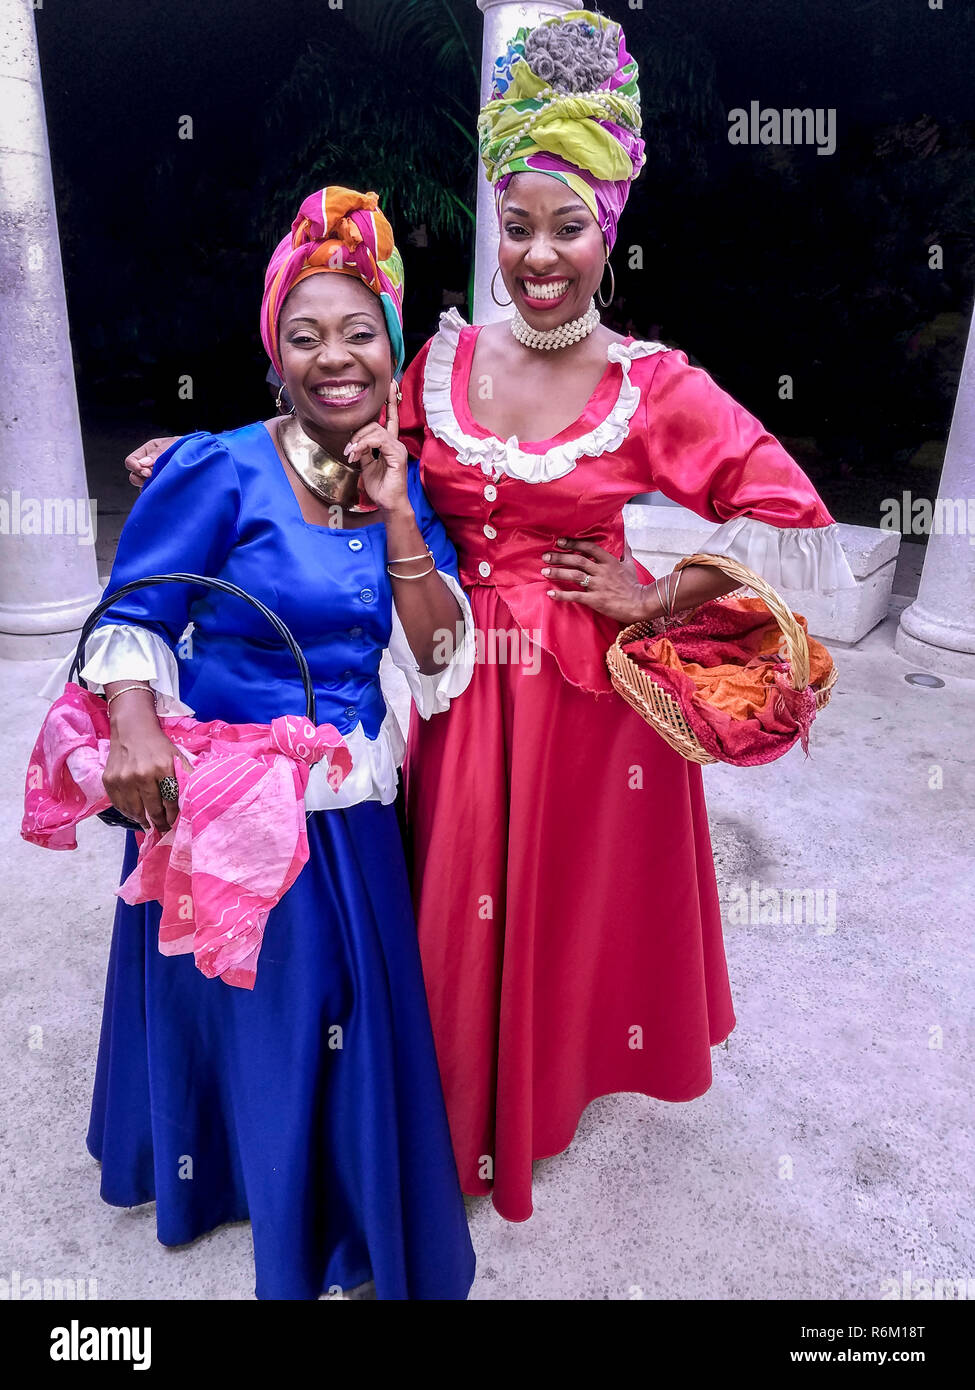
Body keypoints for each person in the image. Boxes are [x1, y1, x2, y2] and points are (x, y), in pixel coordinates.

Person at [125, 13, 859, 1225]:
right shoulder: (440, 368)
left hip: (586, 711)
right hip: (461, 689)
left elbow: (792, 513)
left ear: (607, 231)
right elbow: (335, 429)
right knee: (454, 911)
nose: (537, 255)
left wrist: (658, 591)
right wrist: (205, 459)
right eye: (517, 225)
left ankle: (540, 1101)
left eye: (567, 226)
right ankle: (450, 1123)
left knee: (564, 919)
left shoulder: (653, 386)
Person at [45, 186, 477, 1298]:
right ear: (274, 356)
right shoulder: (220, 466)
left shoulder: (402, 484)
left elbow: (435, 660)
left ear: (393, 349)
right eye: (305, 335)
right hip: (224, 801)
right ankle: (235, 1180)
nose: (336, 358)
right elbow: (133, 610)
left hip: (348, 802)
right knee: (260, 1002)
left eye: (359, 333)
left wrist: (394, 521)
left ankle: (329, 1205)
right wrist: (135, 728)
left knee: (344, 1008)